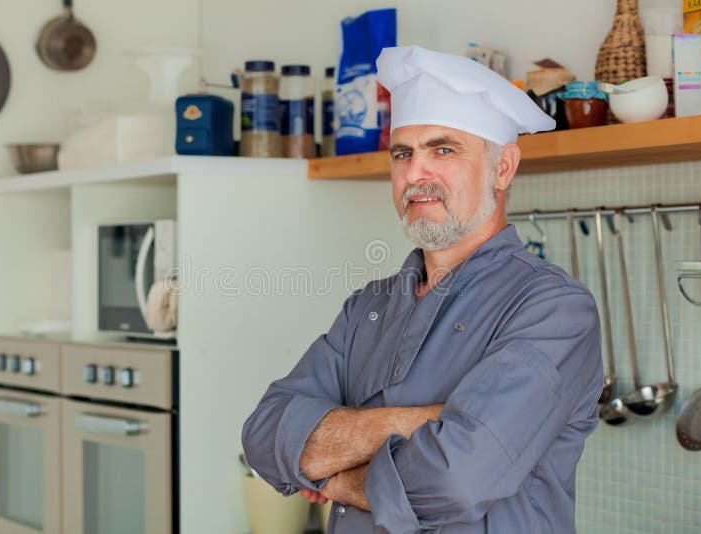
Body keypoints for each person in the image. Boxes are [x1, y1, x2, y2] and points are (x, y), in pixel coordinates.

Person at [242, 45, 603, 534]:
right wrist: (415, 422)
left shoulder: (553, 309)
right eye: (403, 153)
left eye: (444, 149)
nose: (415, 174)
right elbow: (265, 436)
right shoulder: (368, 306)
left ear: (503, 168)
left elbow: (455, 479)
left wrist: (336, 479)